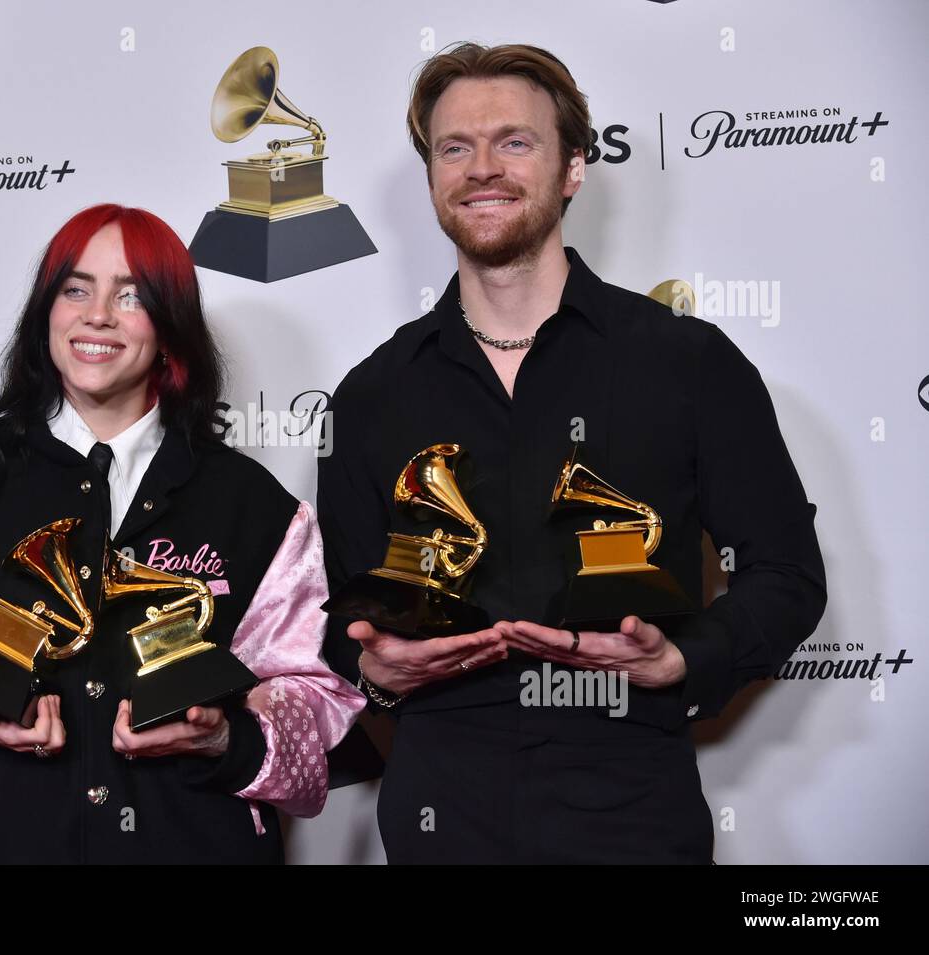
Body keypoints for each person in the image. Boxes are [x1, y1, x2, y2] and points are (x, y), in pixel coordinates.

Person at [317, 42, 826, 863]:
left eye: (514, 142)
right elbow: (342, 606)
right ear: (432, 178)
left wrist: (684, 657)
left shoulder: (688, 363)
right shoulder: (373, 395)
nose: (483, 167)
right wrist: (377, 668)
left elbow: (786, 573)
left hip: (633, 800)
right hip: (440, 809)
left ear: (574, 168)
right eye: (456, 147)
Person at [0, 203, 364, 864]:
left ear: (170, 322)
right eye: (76, 289)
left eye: (131, 295)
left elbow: (314, 700)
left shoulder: (258, 509)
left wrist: (226, 739)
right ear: (47, 311)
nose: (97, 314)